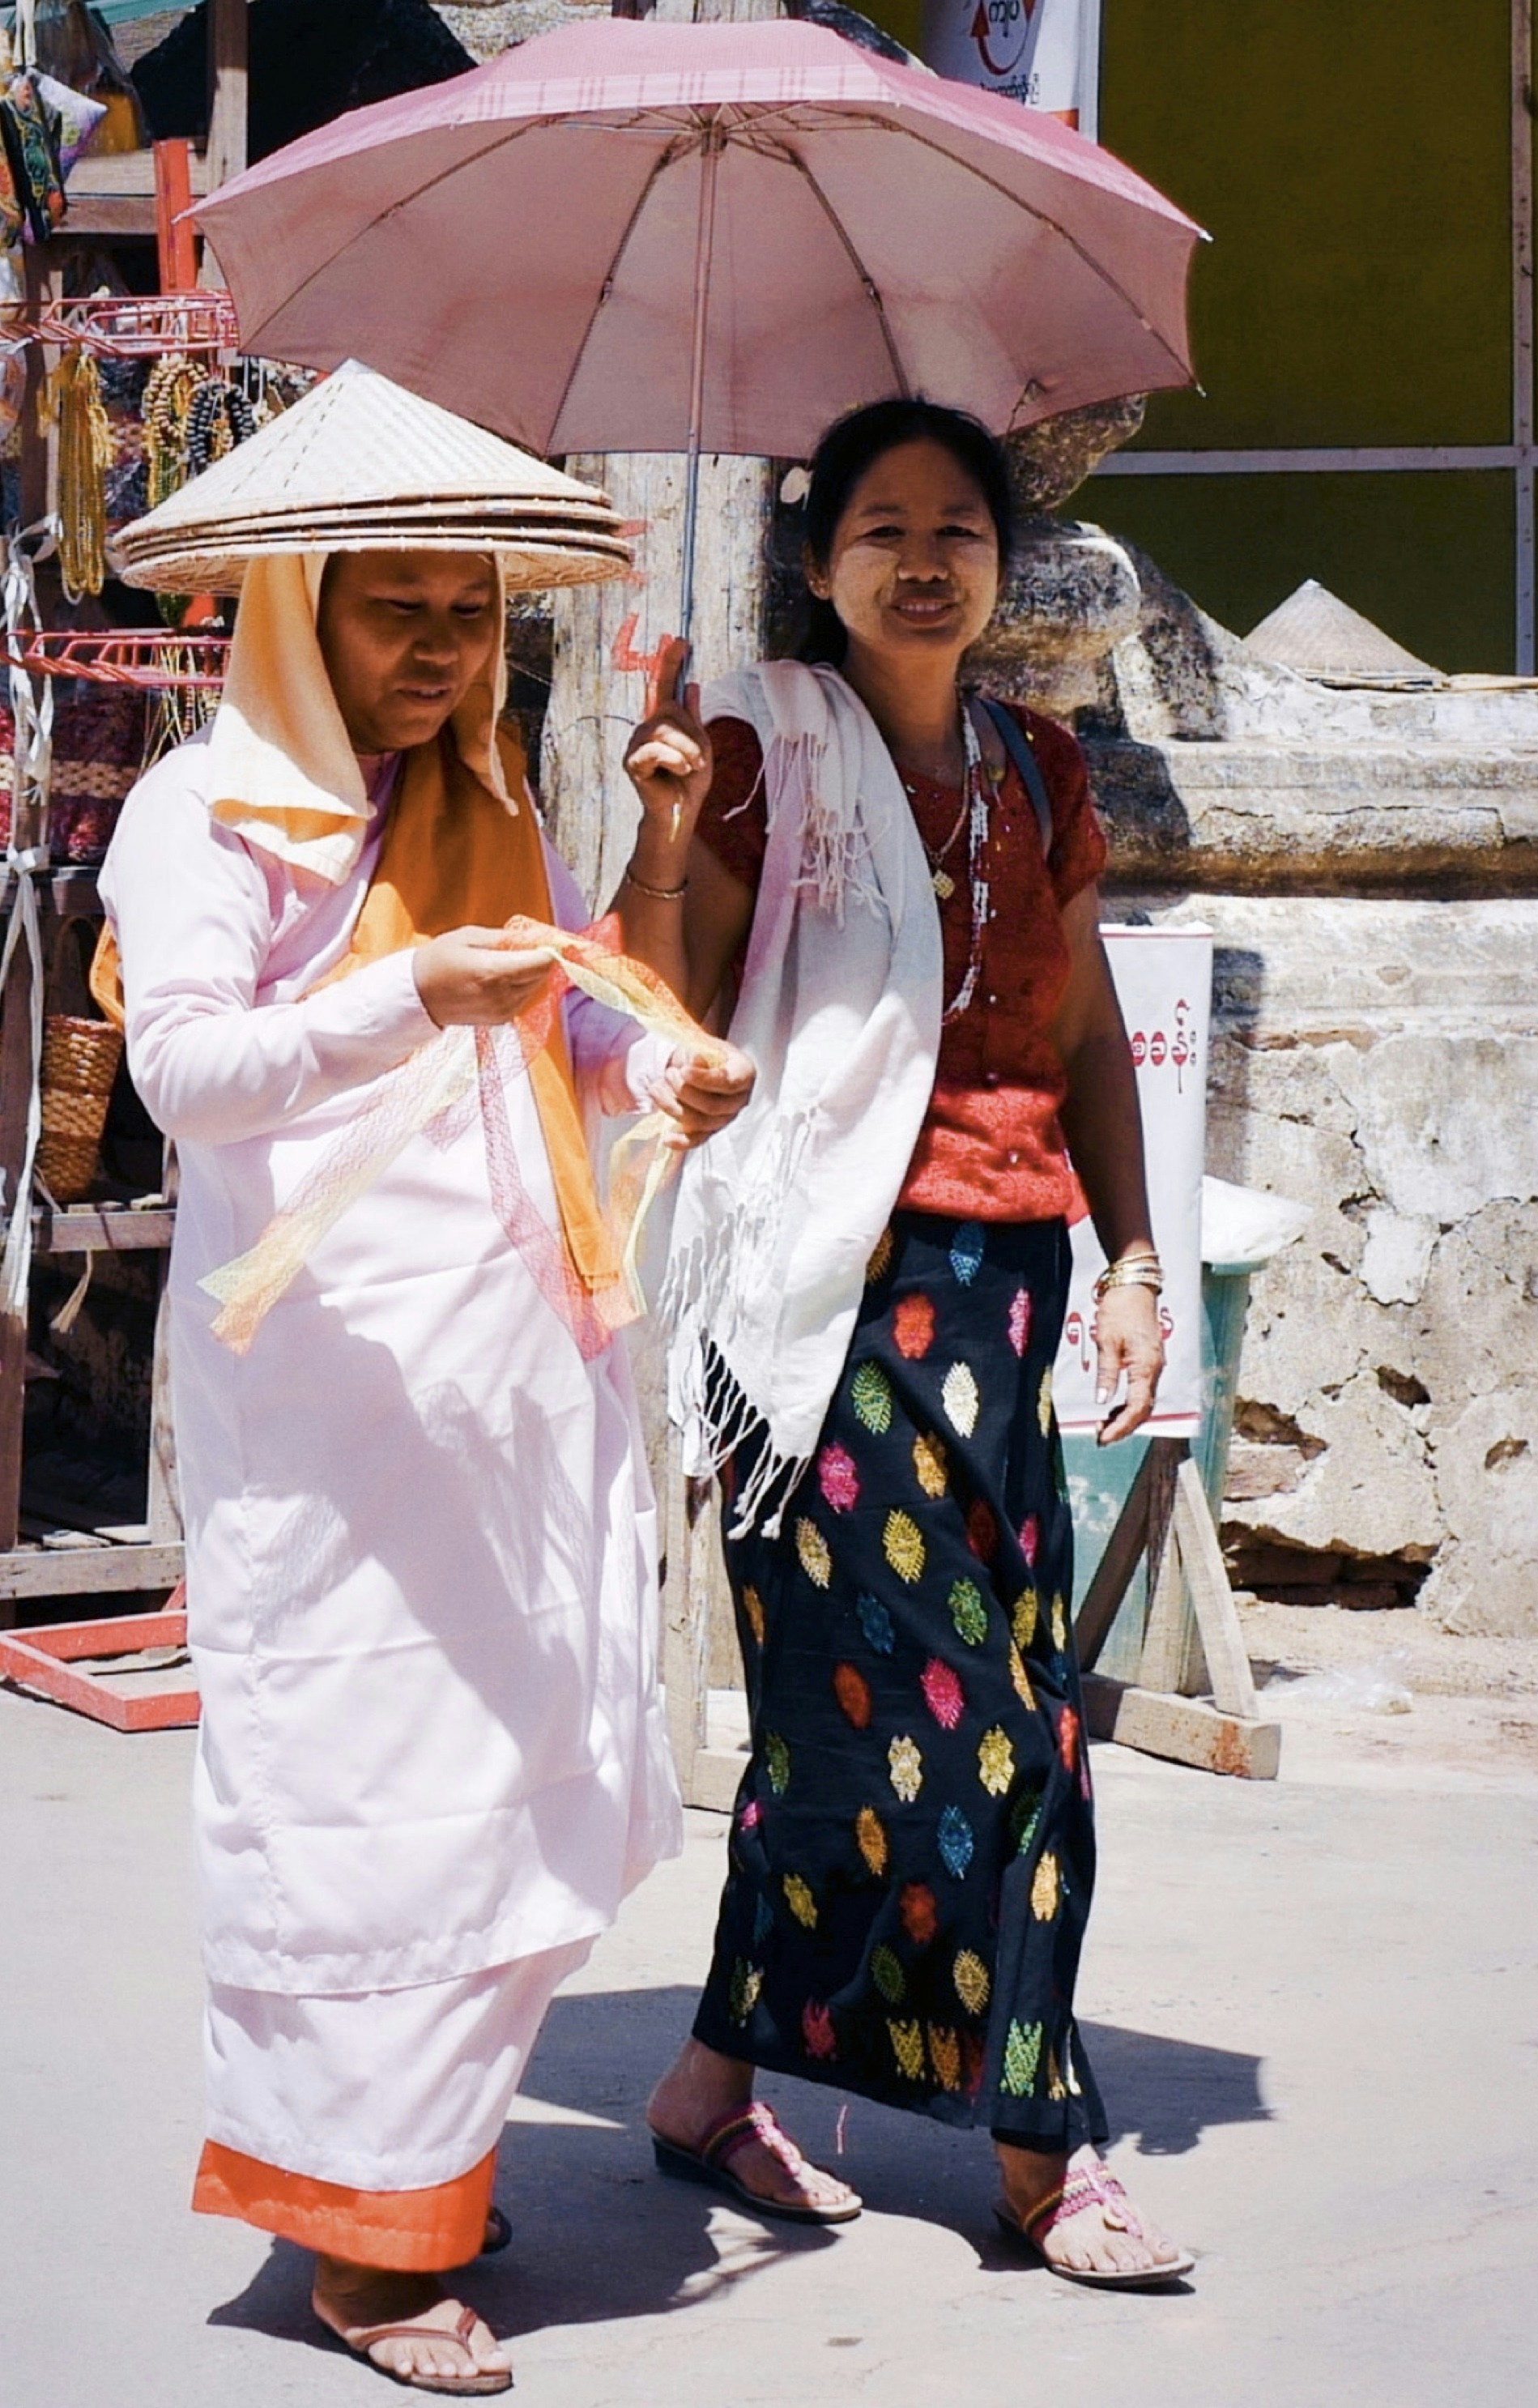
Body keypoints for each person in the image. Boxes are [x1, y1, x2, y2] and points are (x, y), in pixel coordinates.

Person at [100, 376, 754, 2396]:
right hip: (331, 1404)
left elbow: (551, 1031)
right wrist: (401, 988)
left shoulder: (487, 807)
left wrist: (659, 1065)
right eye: (398, 609)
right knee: (361, 1811)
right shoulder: (203, 813)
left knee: (493, 1804)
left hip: (512, 1384)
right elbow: (185, 1074)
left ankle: (431, 2182)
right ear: (297, 610)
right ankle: (357, 2246)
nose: (442, 650)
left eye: (468, 611)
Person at [613, 398, 1192, 2288]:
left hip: (1005, 1292)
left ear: (1000, 564)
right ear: (816, 559)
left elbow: (1087, 1035)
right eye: (881, 523)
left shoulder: (1038, 774)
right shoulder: (759, 747)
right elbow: (672, 995)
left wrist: (1130, 1256)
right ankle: (1045, 2142)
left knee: (834, 1732)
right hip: (821, 1304)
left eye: (958, 522)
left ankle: (711, 2078)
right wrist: (661, 826)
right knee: (1015, 1736)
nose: (924, 554)